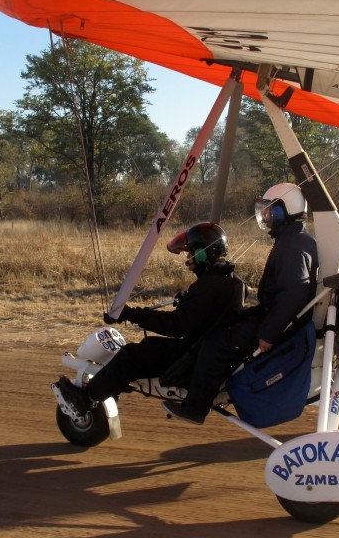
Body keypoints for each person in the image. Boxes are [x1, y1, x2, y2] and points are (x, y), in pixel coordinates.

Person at [163, 182, 319, 425]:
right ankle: (208, 387)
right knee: (223, 327)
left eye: (270, 211)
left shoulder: (292, 246)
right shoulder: (296, 239)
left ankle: (196, 408)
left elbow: (293, 294)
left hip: (279, 324)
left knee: (217, 343)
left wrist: (268, 333)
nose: (266, 217)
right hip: (275, 317)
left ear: (283, 211)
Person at [55, 222, 243, 415]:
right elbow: (203, 313)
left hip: (196, 358)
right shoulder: (228, 279)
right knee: (149, 344)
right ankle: (115, 383)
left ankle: (85, 400)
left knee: (130, 355)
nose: (187, 256)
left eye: (191, 251)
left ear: (204, 253)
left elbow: (176, 325)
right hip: (207, 351)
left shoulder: (208, 286)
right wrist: (188, 300)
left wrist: (132, 314)